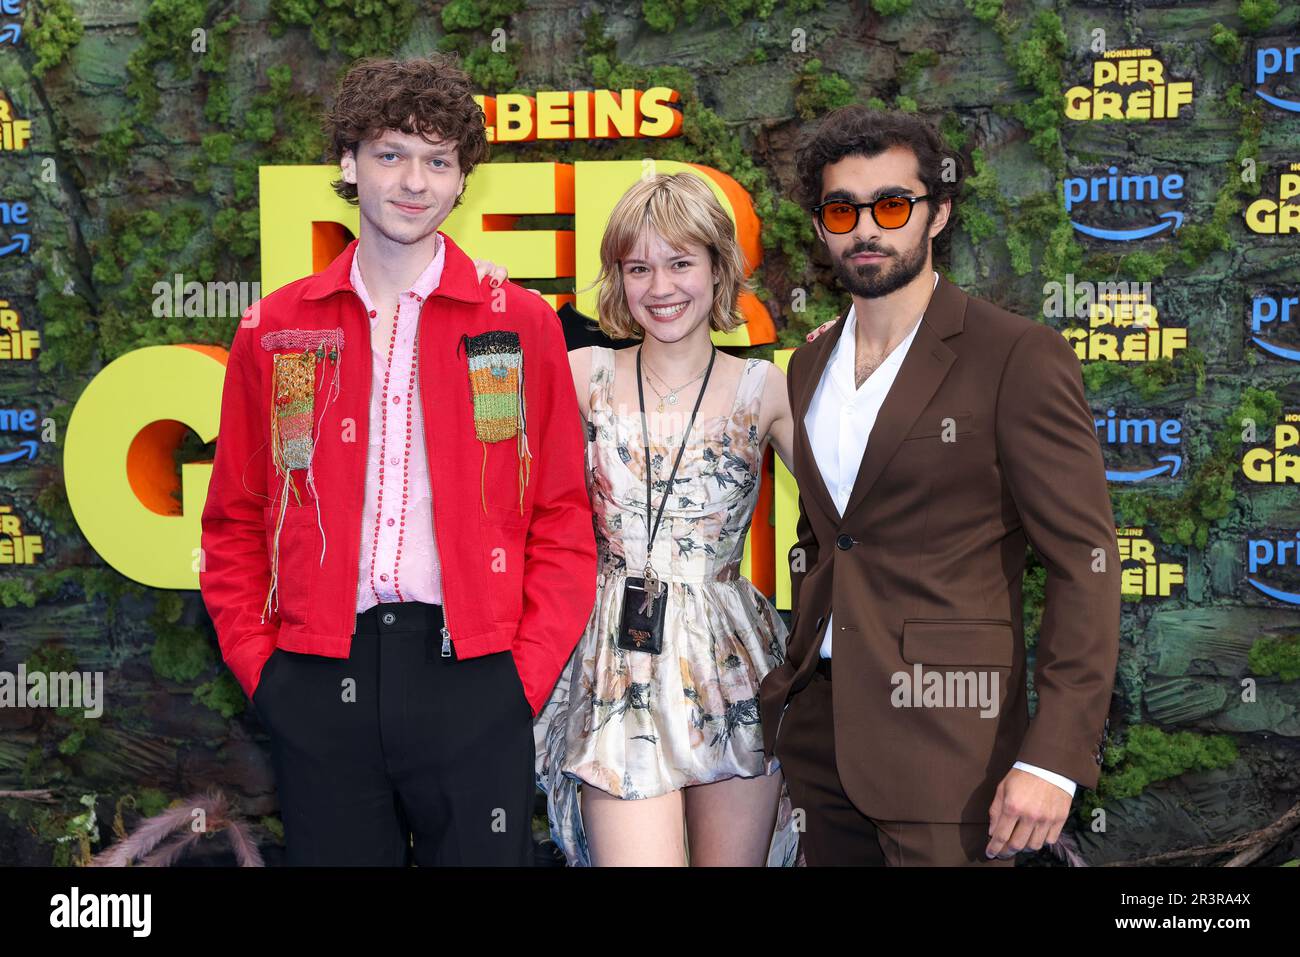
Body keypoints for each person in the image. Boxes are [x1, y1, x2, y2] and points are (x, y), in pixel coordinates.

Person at [199, 53, 596, 865]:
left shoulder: (519, 322)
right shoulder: (278, 327)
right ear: (348, 164)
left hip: (474, 675)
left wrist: (518, 680)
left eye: (438, 160)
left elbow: (561, 513)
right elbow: (235, 516)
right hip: (317, 677)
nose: (415, 181)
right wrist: (266, 674)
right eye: (391, 154)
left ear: (462, 179)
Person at [761, 105, 1120, 866]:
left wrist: (1054, 757)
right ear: (821, 227)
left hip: (952, 744)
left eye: (892, 205)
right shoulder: (807, 366)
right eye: (842, 210)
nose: (866, 229)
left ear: (939, 213)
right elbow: (827, 541)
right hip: (820, 739)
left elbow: (1083, 566)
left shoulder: (1016, 355)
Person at [535, 171, 801, 866]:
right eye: (638, 268)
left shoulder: (764, 388)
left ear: (717, 267)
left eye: (681, 263)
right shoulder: (584, 373)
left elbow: (857, 506)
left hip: (731, 663)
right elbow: (492, 462)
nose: (661, 287)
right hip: (613, 660)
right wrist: (490, 305)